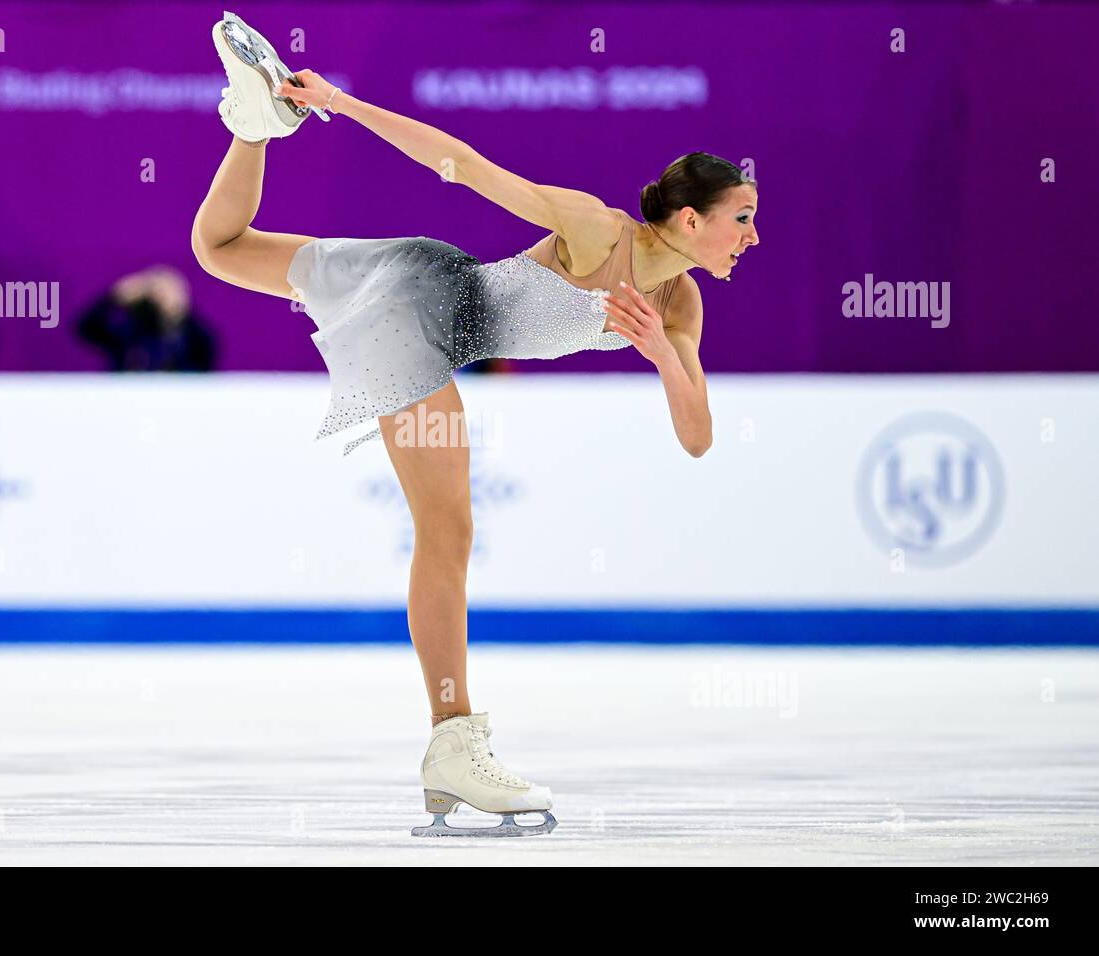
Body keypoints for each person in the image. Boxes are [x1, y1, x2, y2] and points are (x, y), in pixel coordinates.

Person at [191, 12, 759, 837]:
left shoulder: (680, 303)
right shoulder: (598, 228)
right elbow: (466, 167)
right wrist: (344, 107)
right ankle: (454, 745)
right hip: (423, 300)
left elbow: (698, 435)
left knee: (220, 247)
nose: (752, 234)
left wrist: (661, 356)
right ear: (690, 220)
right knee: (449, 532)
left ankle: (253, 125)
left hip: (426, 303)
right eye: (740, 216)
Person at [77, 266, 215, 372]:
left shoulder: (193, 336)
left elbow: (203, 367)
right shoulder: (130, 331)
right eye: (156, 292)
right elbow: (86, 328)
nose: (162, 298)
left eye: (167, 291)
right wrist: (113, 297)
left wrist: (177, 312)